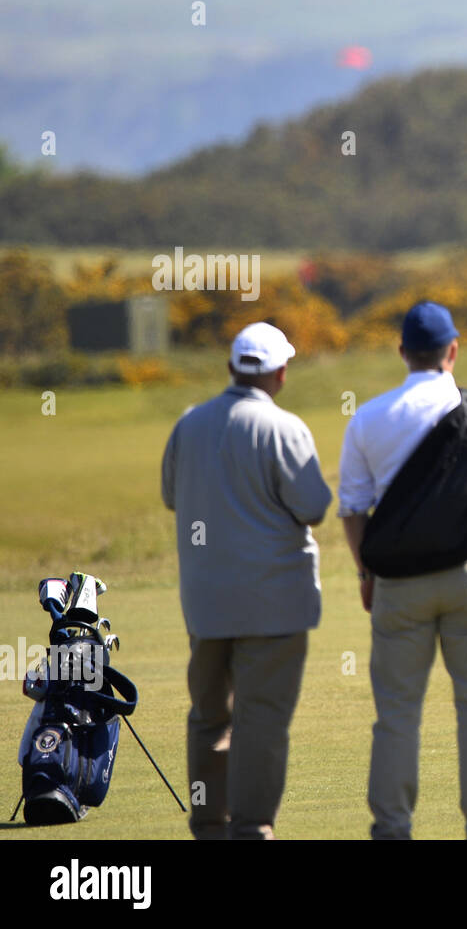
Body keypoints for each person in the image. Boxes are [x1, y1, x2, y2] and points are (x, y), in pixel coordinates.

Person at [338, 301, 467, 840]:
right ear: (453, 351)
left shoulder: (369, 416)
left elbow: (352, 508)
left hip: (397, 585)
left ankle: (393, 829)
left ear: (402, 352)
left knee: (397, 715)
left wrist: (365, 573)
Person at [161, 321, 332, 838]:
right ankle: (252, 828)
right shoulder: (286, 429)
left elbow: (173, 496)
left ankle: (209, 825)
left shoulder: (189, 424)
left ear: (231, 367)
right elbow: (315, 506)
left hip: (206, 602)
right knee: (261, 722)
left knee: (209, 717)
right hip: (274, 606)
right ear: (281, 373)